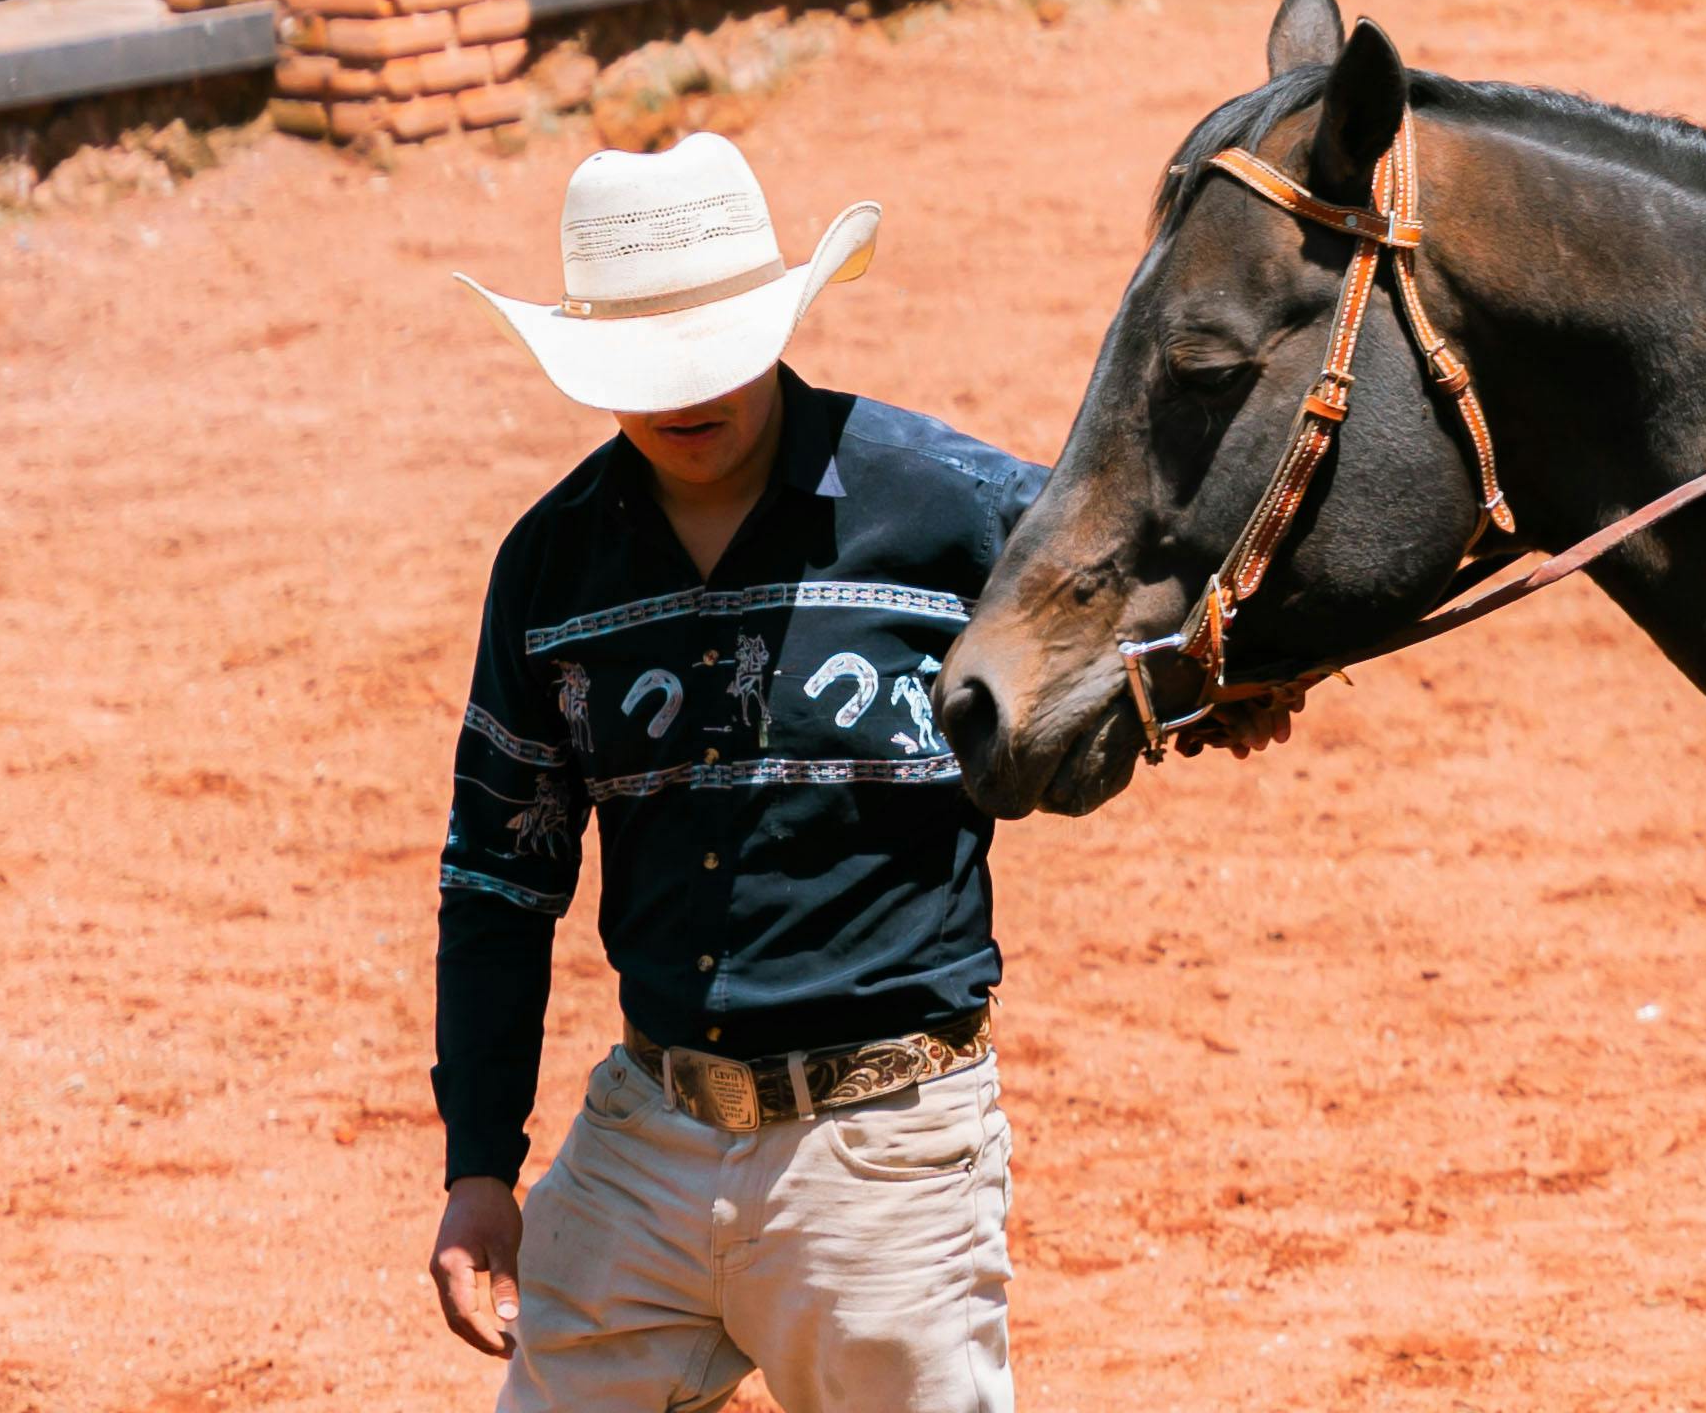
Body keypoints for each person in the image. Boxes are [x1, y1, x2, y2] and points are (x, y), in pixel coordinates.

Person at [426, 131, 1284, 1410]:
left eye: (711, 352)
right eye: (644, 367)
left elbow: (1146, 618)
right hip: (646, 1138)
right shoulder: (551, 568)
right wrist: (481, 1163)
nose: (682, 397)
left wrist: (1230, 675)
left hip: (885, 1157)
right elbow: (500, 879)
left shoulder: (958, 511)